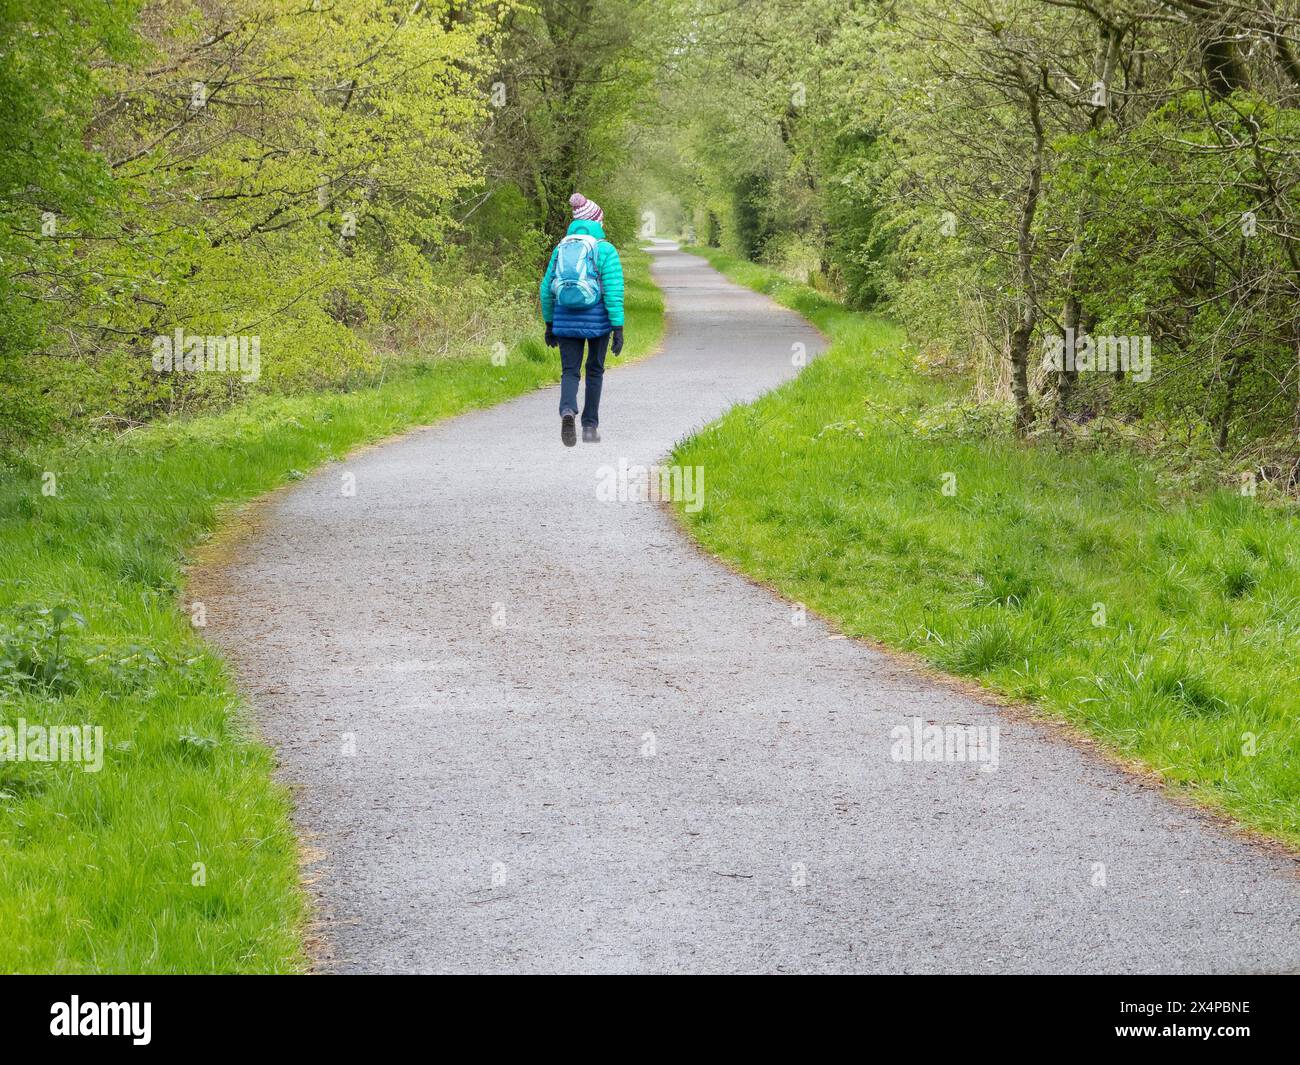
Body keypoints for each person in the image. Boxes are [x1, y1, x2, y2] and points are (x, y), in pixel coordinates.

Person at [540, 193, 625, 446]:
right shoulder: (605, 249)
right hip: (598, 322)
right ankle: (589, 427)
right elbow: (613, 291)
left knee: (570, 371)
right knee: (595, 370)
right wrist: (618, 327)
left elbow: (546, 288)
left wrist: (549, 324)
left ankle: (567, 411)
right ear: (596, 221)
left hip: (565, 319)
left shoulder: (561, 248)